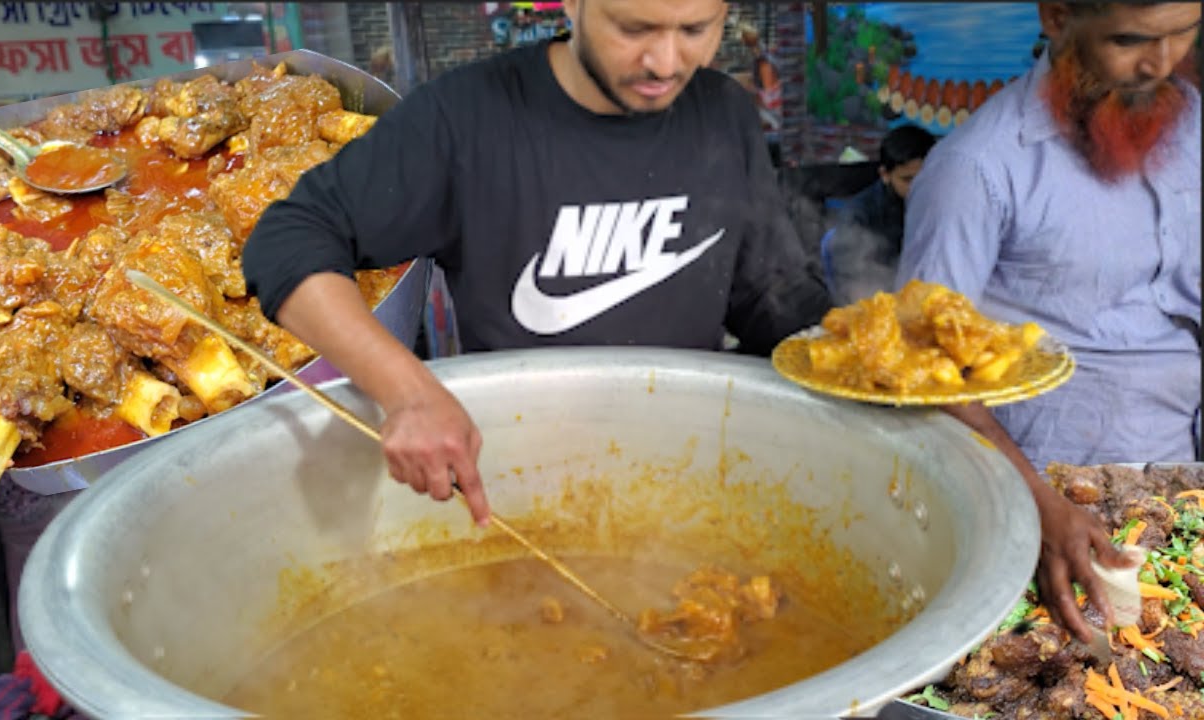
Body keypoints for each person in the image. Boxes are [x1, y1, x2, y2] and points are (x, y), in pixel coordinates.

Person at [242, 0, 831, 527]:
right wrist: (408, 392)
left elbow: (766, 294)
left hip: (696, 482)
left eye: (697, 29)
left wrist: (853, 347)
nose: (666, 61)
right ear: (572, 6)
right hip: (518, 497)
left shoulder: (723, 112)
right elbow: (288, 238)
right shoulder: (469, 117)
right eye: (634, 28)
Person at [896, 2, 1201, 645]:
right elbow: (919, 369)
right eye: (1131, 40)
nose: (1164, 62)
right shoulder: (976, 167)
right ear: (1058, 16)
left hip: (1183, 474)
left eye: (1184, 32)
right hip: (1064, 501)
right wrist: (1037, 507)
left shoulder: (1191, 124)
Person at [822, 124, 936, 304]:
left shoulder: (940, 203)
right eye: (907, 179)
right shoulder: (858, 216)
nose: (917, 187)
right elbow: (853, 284)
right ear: (885, 175)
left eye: (925, 177)